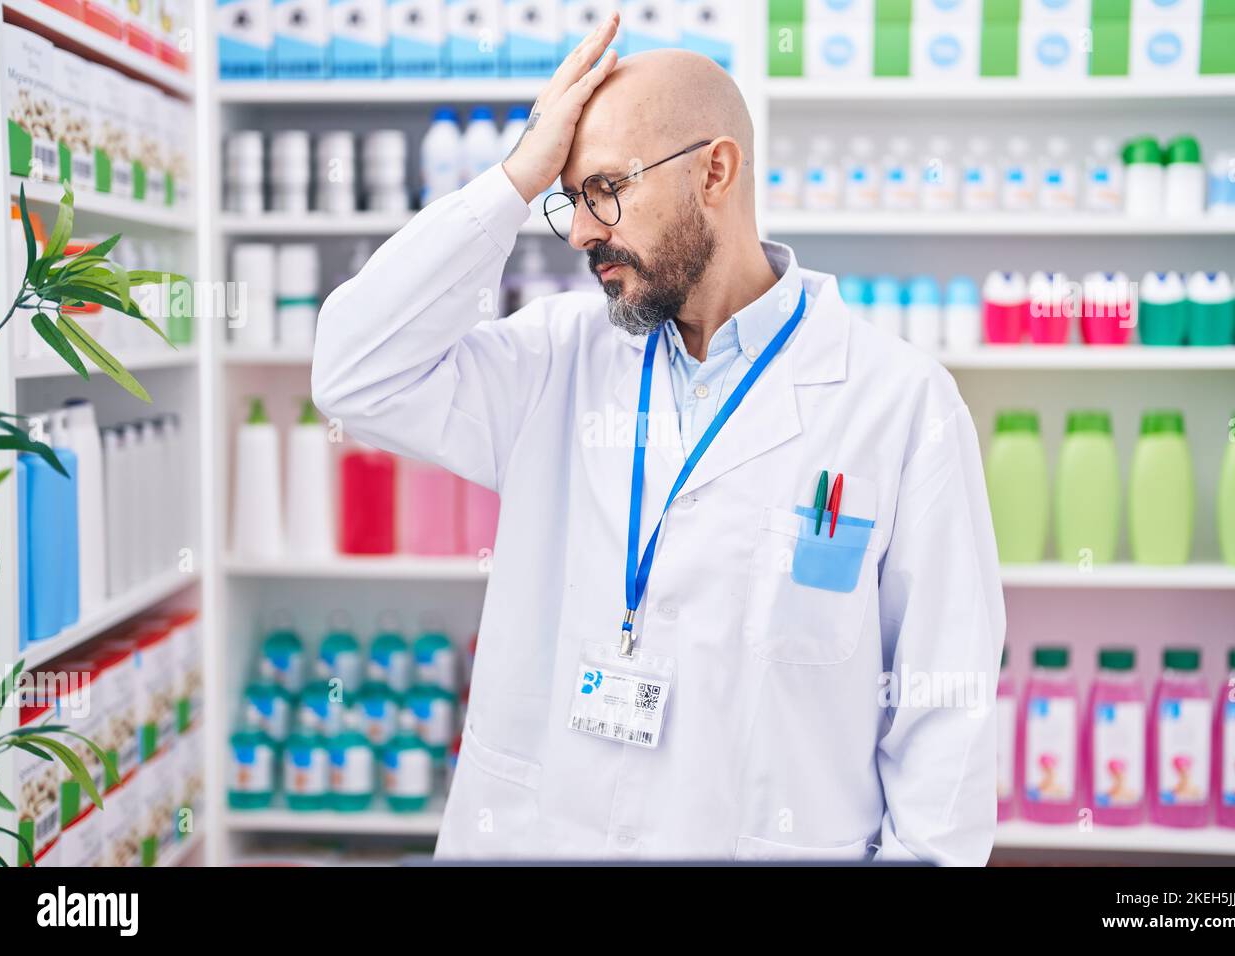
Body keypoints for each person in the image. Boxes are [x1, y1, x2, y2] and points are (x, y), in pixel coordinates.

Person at [312, 12, 1005, 864]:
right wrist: (517, 178)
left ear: (715, 170)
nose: (579, 231)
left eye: (605, 188)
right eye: (569, 198)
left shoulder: (899, 404)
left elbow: (946, 719)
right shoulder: (555, 358)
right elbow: (355, 373)